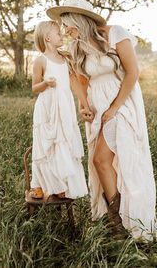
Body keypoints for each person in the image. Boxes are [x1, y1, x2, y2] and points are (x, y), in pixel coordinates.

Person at [46, 0, 157, 241]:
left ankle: (122, 222)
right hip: (98, 104)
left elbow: (133, 72)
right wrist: (83, 105)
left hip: (121, 101)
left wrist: (115, 107)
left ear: (78, 20)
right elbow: (80, 78)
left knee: (108, 158)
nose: (65, 31)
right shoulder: (77, 46)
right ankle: (117, 219)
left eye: (67, 25)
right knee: (101, 163)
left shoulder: (115, 33)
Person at [30, 20, 92, 201]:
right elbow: (34, 88)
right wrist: (45, 83)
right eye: (58, 33)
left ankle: (62, 184)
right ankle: (42, 183)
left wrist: (84, 104)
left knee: (63, 142)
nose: (62, 35)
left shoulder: (66, 59)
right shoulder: (40, 60)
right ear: (47, 38)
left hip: (64, 106)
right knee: (46, 145)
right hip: (47, 107)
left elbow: (75, 84)